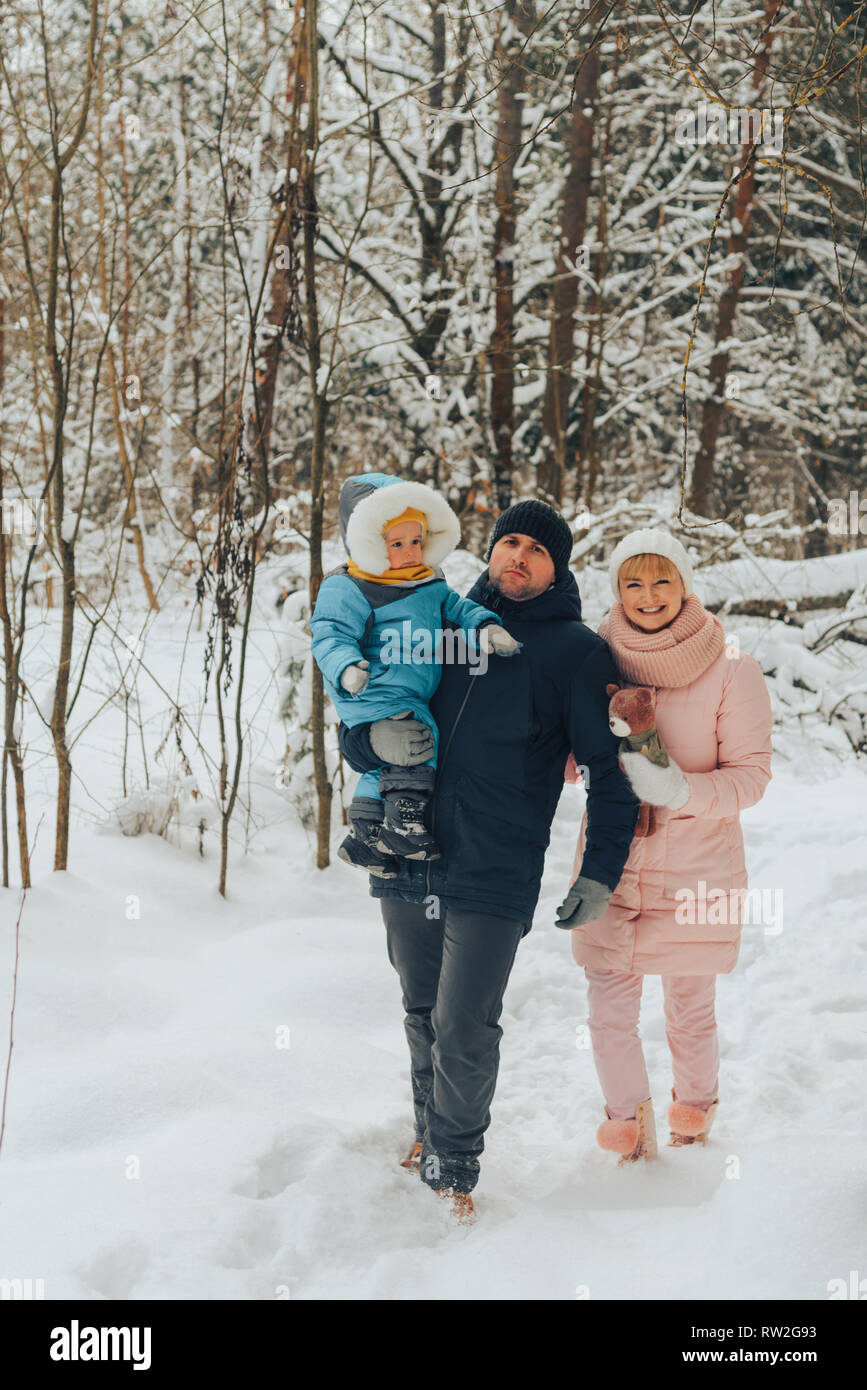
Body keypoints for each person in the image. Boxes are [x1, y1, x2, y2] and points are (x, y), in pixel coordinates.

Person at [338, 498, 639, 1220]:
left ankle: (453, 1168)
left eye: (537, 550)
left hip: (496, 859)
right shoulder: (434, 620)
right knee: (419, 1011)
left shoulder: (575, 652)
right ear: (490, 550)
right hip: (406, 842)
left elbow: (611, 770)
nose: (518, 558)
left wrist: (599, 870)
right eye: (509, 542)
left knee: (465, 1022)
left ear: (557, 567)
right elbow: (366, 710)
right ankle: (425, 1135)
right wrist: (366, 748)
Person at [565, 528, 773, 1163]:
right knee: (607, 1007)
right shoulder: (595, 659)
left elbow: (752, 777)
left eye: (662, 580)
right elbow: (570, 759)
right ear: (617, 590)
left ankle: (694, 1120)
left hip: (697, 865)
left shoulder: (730, 666)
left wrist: (681, 790)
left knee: (688, 1007)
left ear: (684, 585)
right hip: (613, 860)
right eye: (633, 581)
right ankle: (628, 1129)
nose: (648, 595)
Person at [311, 473, 520, 876]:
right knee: (417, 742)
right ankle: (404, 825)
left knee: (383, 765)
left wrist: (485, 628)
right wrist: (347, 668)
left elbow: (458, 608)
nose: (410, 552)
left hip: (406, 692)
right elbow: (330, 634)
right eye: (397, 544)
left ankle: (365, 836)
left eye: (416, 541)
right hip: (372, 686)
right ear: (371, 543)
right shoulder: (350, 585)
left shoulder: (428, 582)